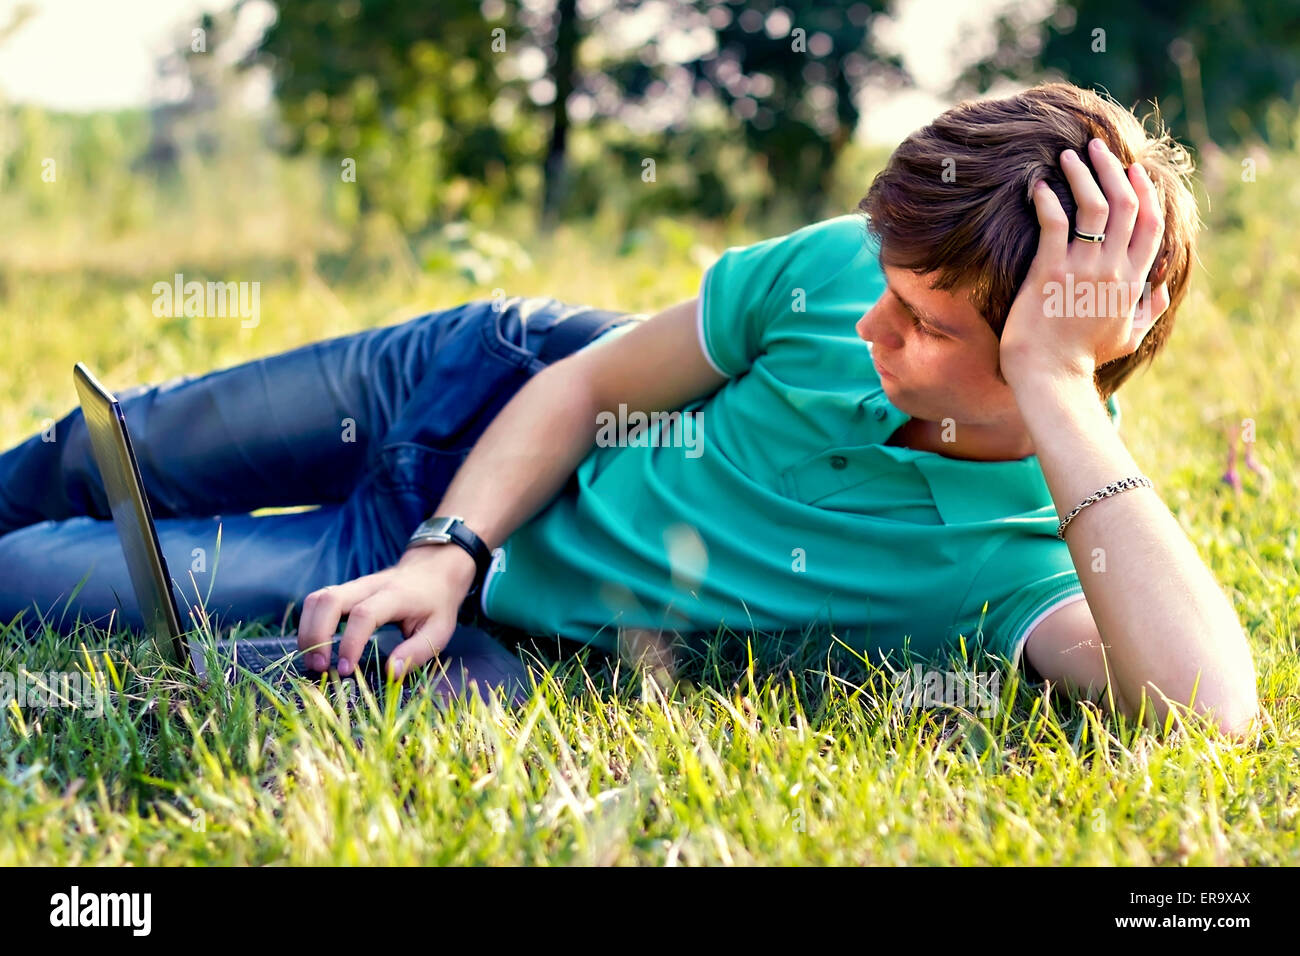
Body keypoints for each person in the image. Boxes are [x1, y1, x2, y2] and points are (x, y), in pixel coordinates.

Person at [0, 82, 1258, 735]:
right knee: (102, 448)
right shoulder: (837, 267)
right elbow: (593, 383)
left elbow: (1206, 718)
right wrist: (447, 549)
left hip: (468, 597)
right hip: (475, 404)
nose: (871, 325)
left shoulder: (1031, 560)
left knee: (40, 585)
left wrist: (1055, 385)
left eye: (927, 327)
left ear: (1071, 347)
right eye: (886, 292)